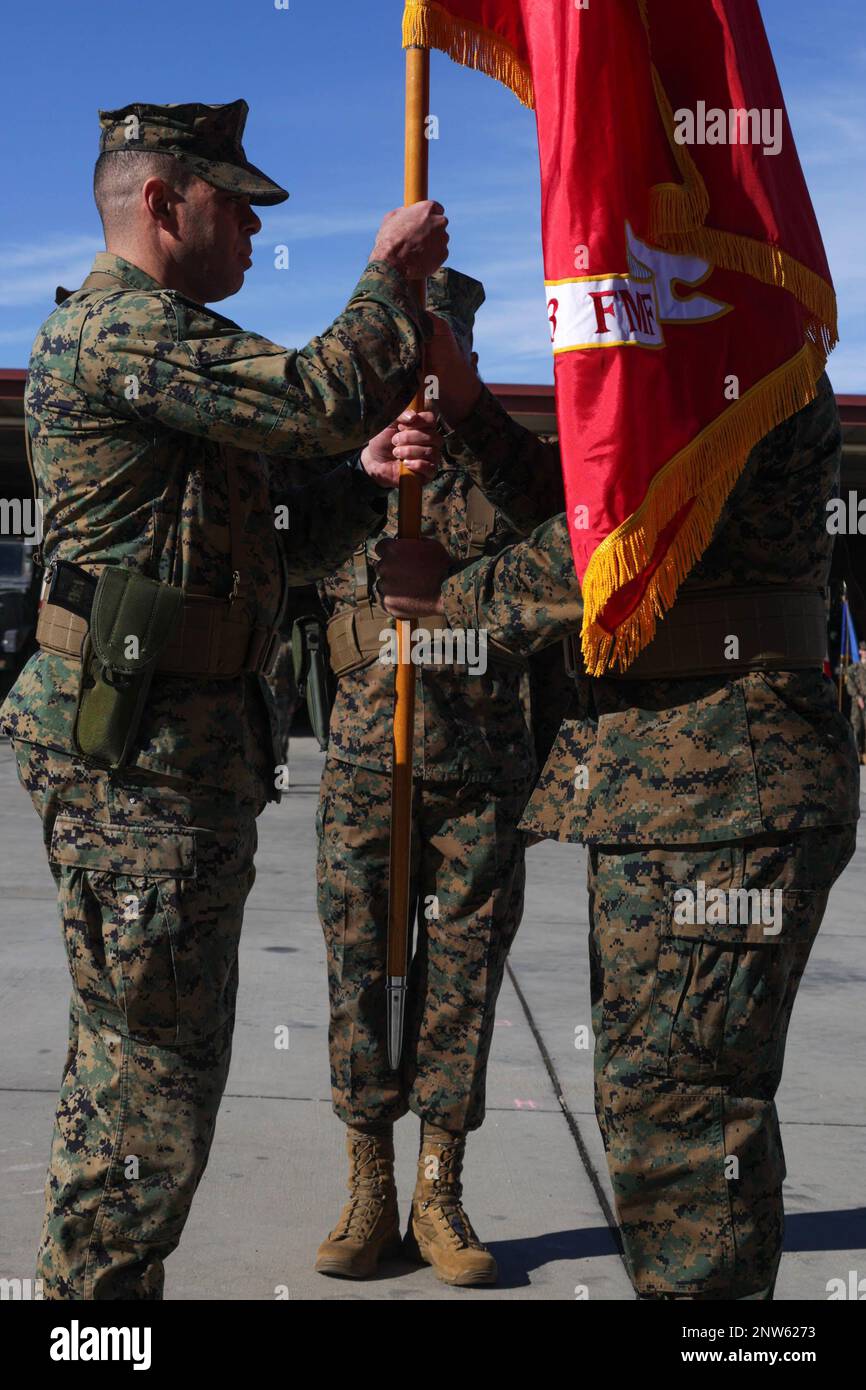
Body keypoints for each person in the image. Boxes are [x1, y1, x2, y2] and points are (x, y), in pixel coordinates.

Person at [0, 98, 448, 1300]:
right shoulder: (123, 331)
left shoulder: (175, 349)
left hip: (176, 756)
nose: (253, 234)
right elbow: (312, 394)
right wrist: (385, 283)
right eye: (234, 206)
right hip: (135, 764)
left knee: (148, 1068)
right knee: (151, 1076)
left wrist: (357, 487)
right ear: (161, 202)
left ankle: (100, 1310)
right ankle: (92, 1322)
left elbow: (275, 545)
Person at [375, 329, 861, 1300]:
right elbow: (589, 496)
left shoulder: (730, 339)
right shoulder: (704, 327)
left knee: (683, 1115)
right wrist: (470, 413)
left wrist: (444, 597)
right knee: (659, 1103)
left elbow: (617, 529)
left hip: (724, 782)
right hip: (679, 789)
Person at [312, 269, 563, 1286]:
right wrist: (361, 476)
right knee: (360, 976)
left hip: (478, 772)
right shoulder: (348, 463)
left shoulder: (507, 465)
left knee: (457, 985)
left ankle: (438, 1190)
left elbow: (563, 530)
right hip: (367, 766)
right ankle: (367, 1186)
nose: (418, 374)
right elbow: (285, 553)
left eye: (438, 353)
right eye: (406, 354)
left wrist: (468, 419)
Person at [844, 640, 866, 764]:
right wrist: (857, 697)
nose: (865, 653)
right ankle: (857, 754)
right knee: (857, 728)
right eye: (863, 650)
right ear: (859, 651)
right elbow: (850, 685)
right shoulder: (853, 668)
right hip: (857, 702)